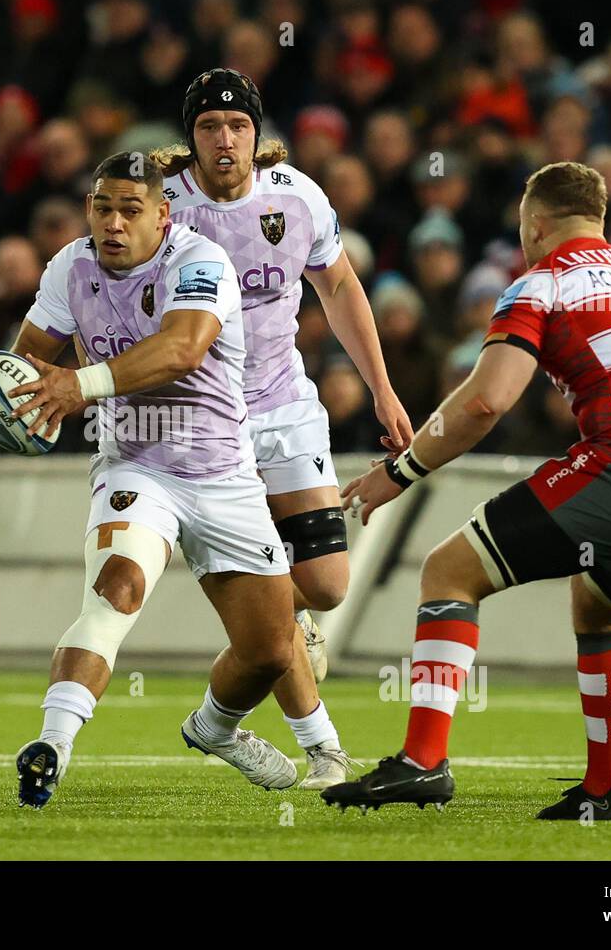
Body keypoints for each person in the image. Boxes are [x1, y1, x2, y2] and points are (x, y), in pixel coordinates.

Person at [323, 161, 611, 820]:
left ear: (536, 224)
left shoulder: (543, 283)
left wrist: (396, 474)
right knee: (600, 607)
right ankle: (604, 790)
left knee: (449, 571)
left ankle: (421, 763)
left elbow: (485, 403)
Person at [7, 152, 298, 808]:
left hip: (225, 476)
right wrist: (17, 403)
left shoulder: (200, 262)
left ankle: (216, 729)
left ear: (163, 216)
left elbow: (182, 349)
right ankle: (52, 744)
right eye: (102, 207)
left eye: (130, 210)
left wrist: (76, 385)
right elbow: (27, 360)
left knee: (270, 652)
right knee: (116, 590)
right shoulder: (71, 267)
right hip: (135, 470)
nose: (113, 223)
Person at [154, 68, 413, 787]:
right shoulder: (159, 209)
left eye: (237, 126)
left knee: (325, 585)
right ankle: (325, 752)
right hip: (200, 426)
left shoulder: (297, 197)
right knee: (270, 610)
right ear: (191, 138)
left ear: (257, 135)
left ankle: (253, 669)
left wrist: (383, 391)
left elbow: (338, 287)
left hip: (284, 406)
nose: (225, 139)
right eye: (209, 127)